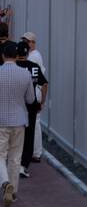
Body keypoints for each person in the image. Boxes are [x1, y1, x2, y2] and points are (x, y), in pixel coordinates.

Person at [0, 39, 34, 207]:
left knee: (0, 155)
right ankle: (12, 194)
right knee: (15, 157)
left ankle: (5, 182)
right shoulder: (25, 74)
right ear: (17, 55)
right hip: (19, 120)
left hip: (1, 121)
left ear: (3, 56)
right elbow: (30, 99)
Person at [16, 37, 46, 179]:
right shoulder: (34, 67)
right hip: (32, 105)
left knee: (15, 134)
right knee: (29, 135)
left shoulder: (13, 67)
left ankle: (13, 163)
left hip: (16, 105)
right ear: (28, 52)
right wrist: (42, 102)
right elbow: (44, 84)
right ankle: (24, 165)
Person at [21, 33, 45, 163]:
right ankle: (35, 151)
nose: (25, 43)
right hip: (34, 90)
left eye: (27, 41)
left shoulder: (34, 57)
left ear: (33, 43)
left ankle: (36, 152)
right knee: (34, 122)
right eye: (24, 40)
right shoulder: (34, 55)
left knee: (34, 122)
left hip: (35, 91)